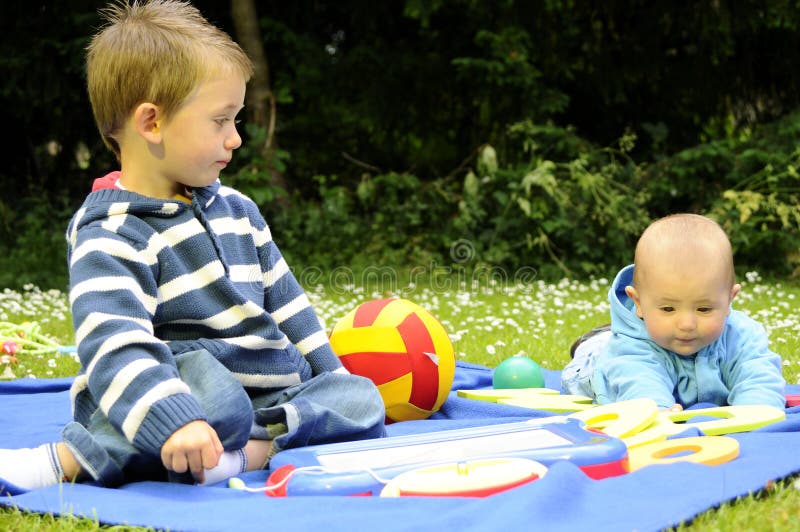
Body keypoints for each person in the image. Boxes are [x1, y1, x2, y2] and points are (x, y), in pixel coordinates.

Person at [0, 0, 385, 492]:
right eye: (221, 121)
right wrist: (175, 417)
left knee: (359, 400)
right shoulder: (113, 231)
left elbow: (292, 309)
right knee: (211, 397)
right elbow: (116, 344)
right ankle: (62, 462)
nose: (236, 140)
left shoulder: (240, 211)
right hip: (172, 392)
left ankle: (241, 457)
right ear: (152, 123)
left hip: (266, 399)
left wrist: (330, 376)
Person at [562, 213, 786, 411]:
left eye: (704, 309)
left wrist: (756, 408)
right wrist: (655, 410)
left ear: (729, 300)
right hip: (597, 366)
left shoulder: (742, 335)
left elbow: (758, 375)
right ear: (638, 302)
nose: (687, 324)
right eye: (668, 308)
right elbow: (638, 380)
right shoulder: (630, 348)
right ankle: (592, 340)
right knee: (601, 353)